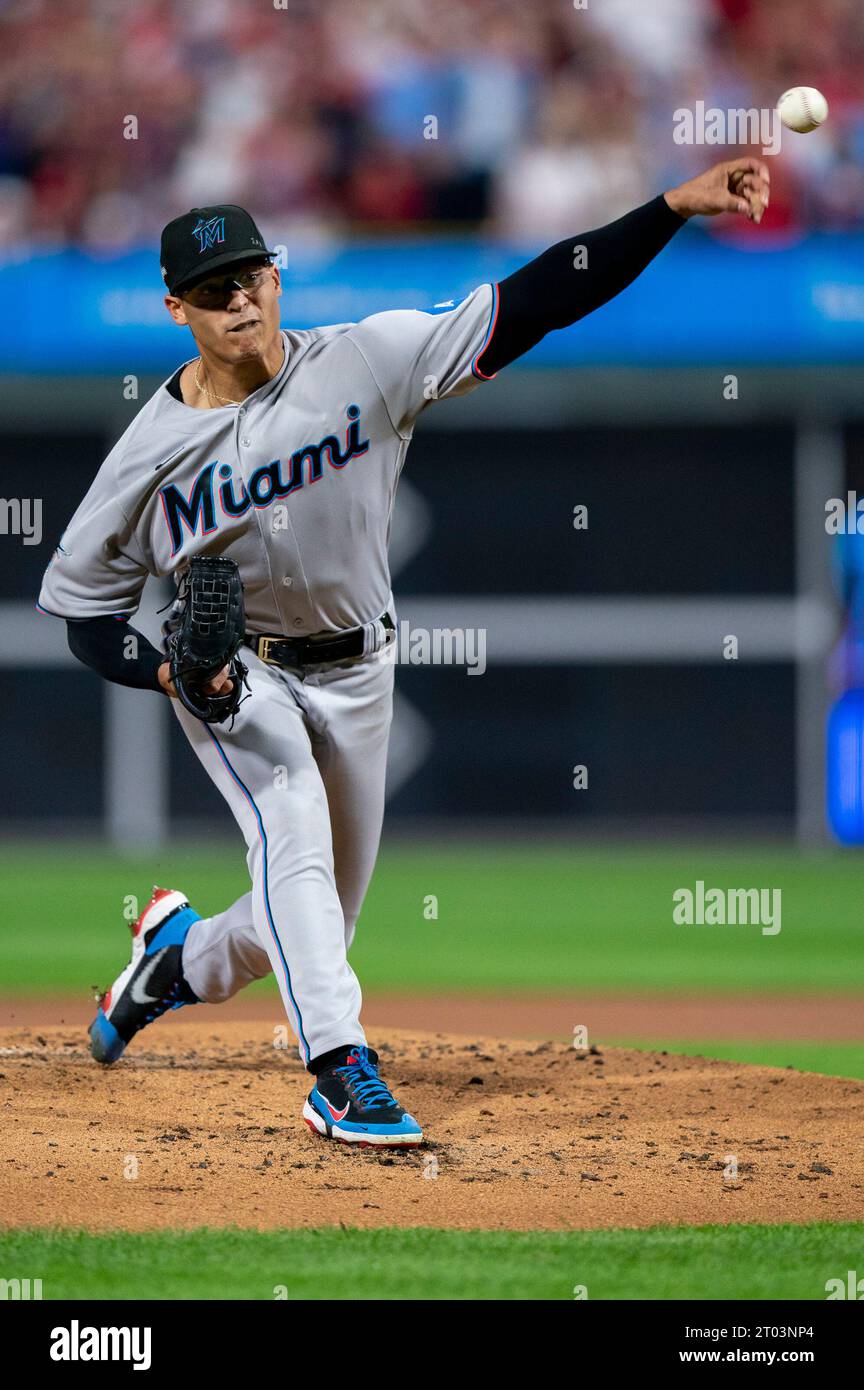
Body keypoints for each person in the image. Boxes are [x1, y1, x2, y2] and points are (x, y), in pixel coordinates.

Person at [38, 162, 769, 1148]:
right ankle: (340, 1072)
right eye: (215, 289)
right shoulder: (145, 457)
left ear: (277, 275)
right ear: (177, 307)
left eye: (253, 274)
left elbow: (540, 298)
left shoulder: (369, 358)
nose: (241, 298)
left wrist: (674, 208)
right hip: (235, 676)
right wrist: (175, 671)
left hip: (359, 668)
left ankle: (174, 957)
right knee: (286, 817)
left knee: (312, 924)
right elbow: (86, 614)